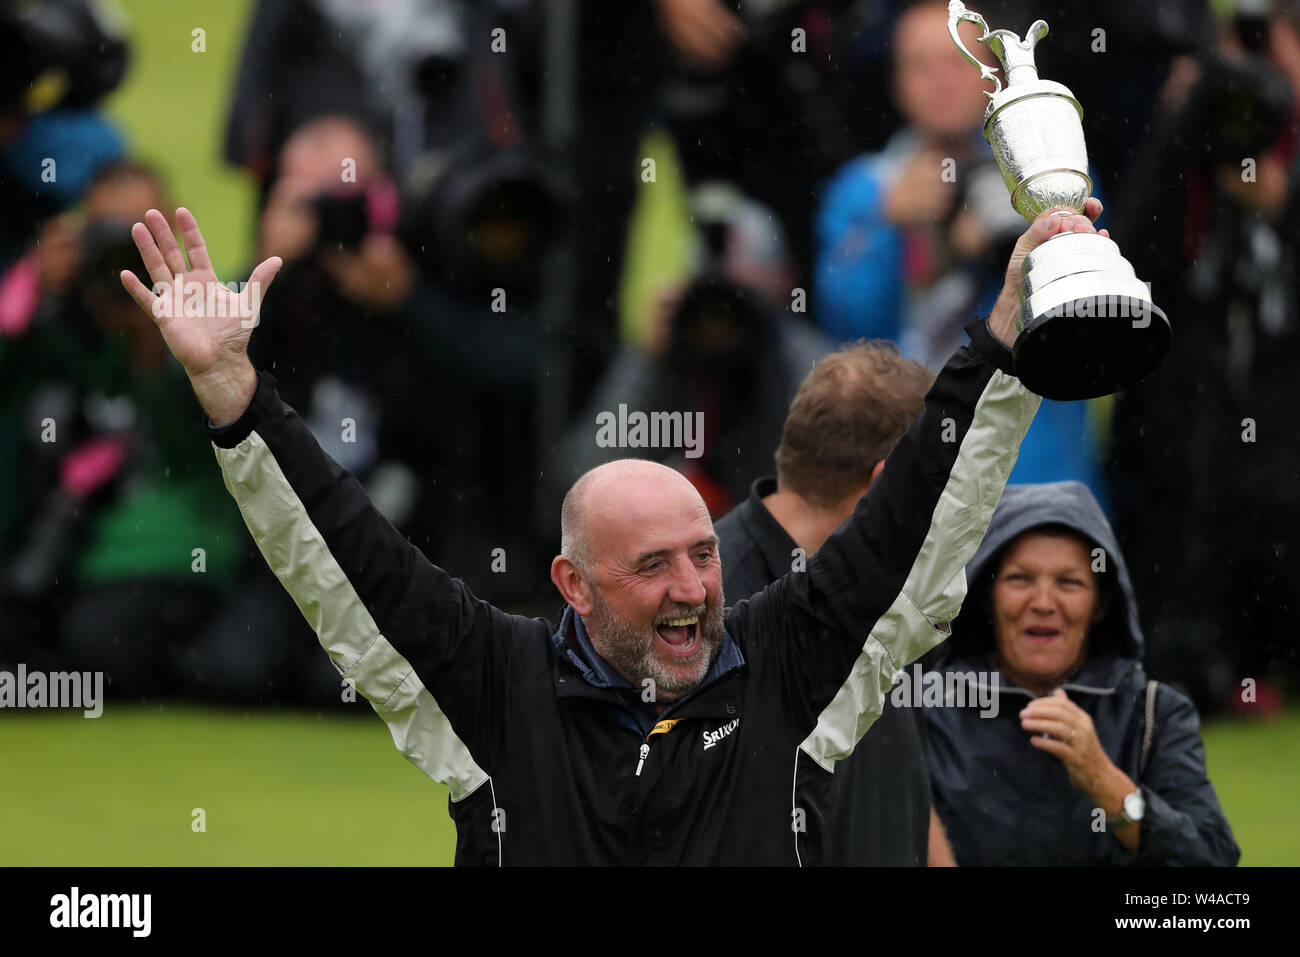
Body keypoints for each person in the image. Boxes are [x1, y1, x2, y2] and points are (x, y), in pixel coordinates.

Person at [118, 198, 1104, 864]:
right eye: (651, 566)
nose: (692, 587)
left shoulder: (790, 666)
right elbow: (341, 556)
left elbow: (916, 514)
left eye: (702, 555)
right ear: (572, 583)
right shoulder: (492, 688)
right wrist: (234, 397)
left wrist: (1003, 339)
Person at [813, 0, 1106, 501]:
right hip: (904, 447)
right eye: (920, 65)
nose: (941, 80)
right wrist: (888, 226)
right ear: (896, 83)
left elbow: (1088, 310)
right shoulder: (865, 188)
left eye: (957, 61)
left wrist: (1004, 244)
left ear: (988, 75)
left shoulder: (1046, 171)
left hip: (1029, 458)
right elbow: (843, 323)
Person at [713, 339, 956, 865]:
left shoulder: (885, 588)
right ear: (889, 483)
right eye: (942, 480)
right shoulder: (709, 620)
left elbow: (893, 774)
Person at [922, 481, 1241, 866]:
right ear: (987, 597)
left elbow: (1211, 859)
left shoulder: (1155, 715)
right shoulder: (927, 712)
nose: (1042, 603)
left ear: (1103, 602)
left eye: (1069, 582)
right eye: (1019, 579)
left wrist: (1103, 778)